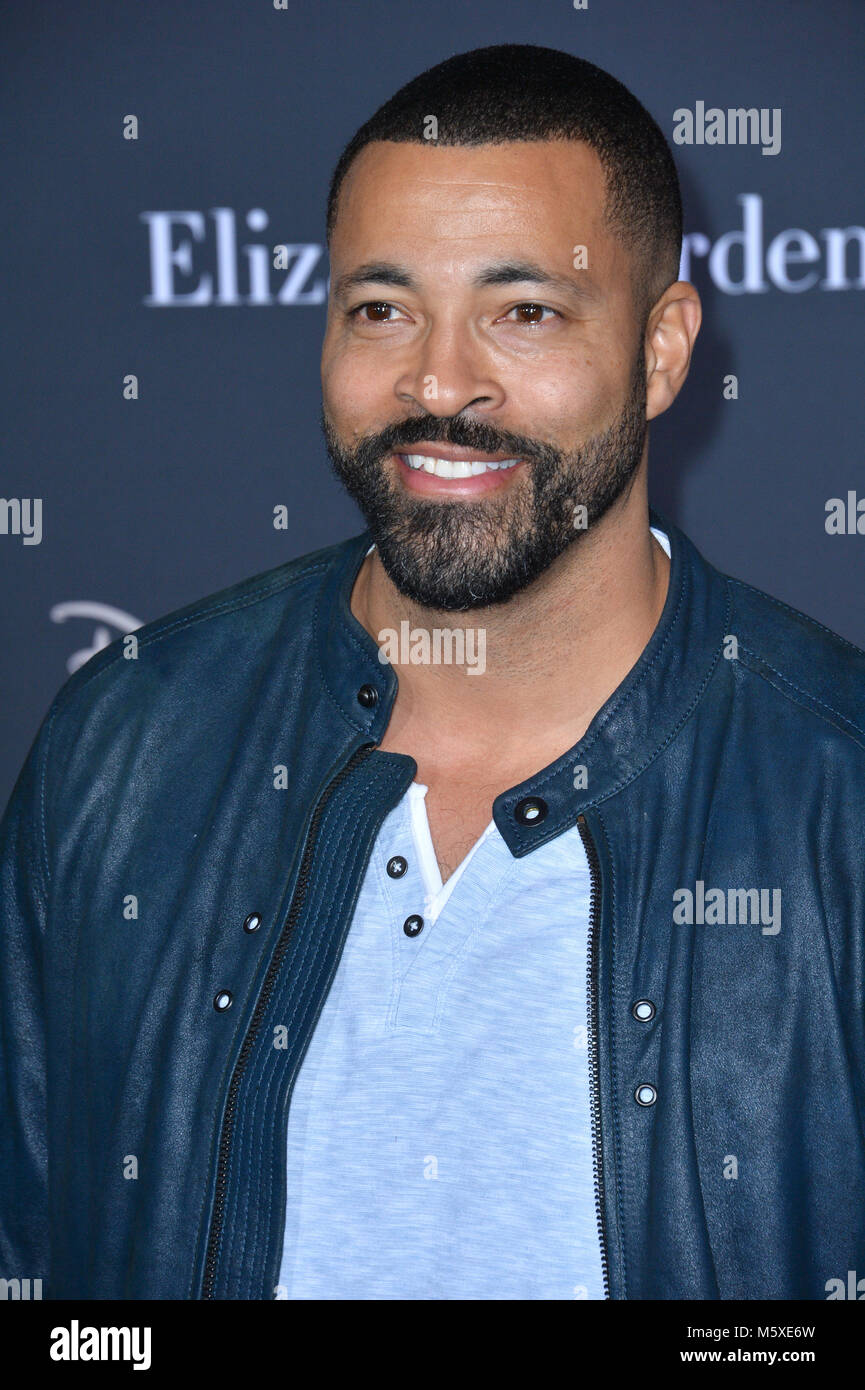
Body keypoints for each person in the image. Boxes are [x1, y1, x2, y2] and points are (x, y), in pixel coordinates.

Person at [1, 43, 863, 1302]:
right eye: (381, 308)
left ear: (663, 348)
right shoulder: (122, 746)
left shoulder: (836, 794)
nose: (437, 382)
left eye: (525, 310)